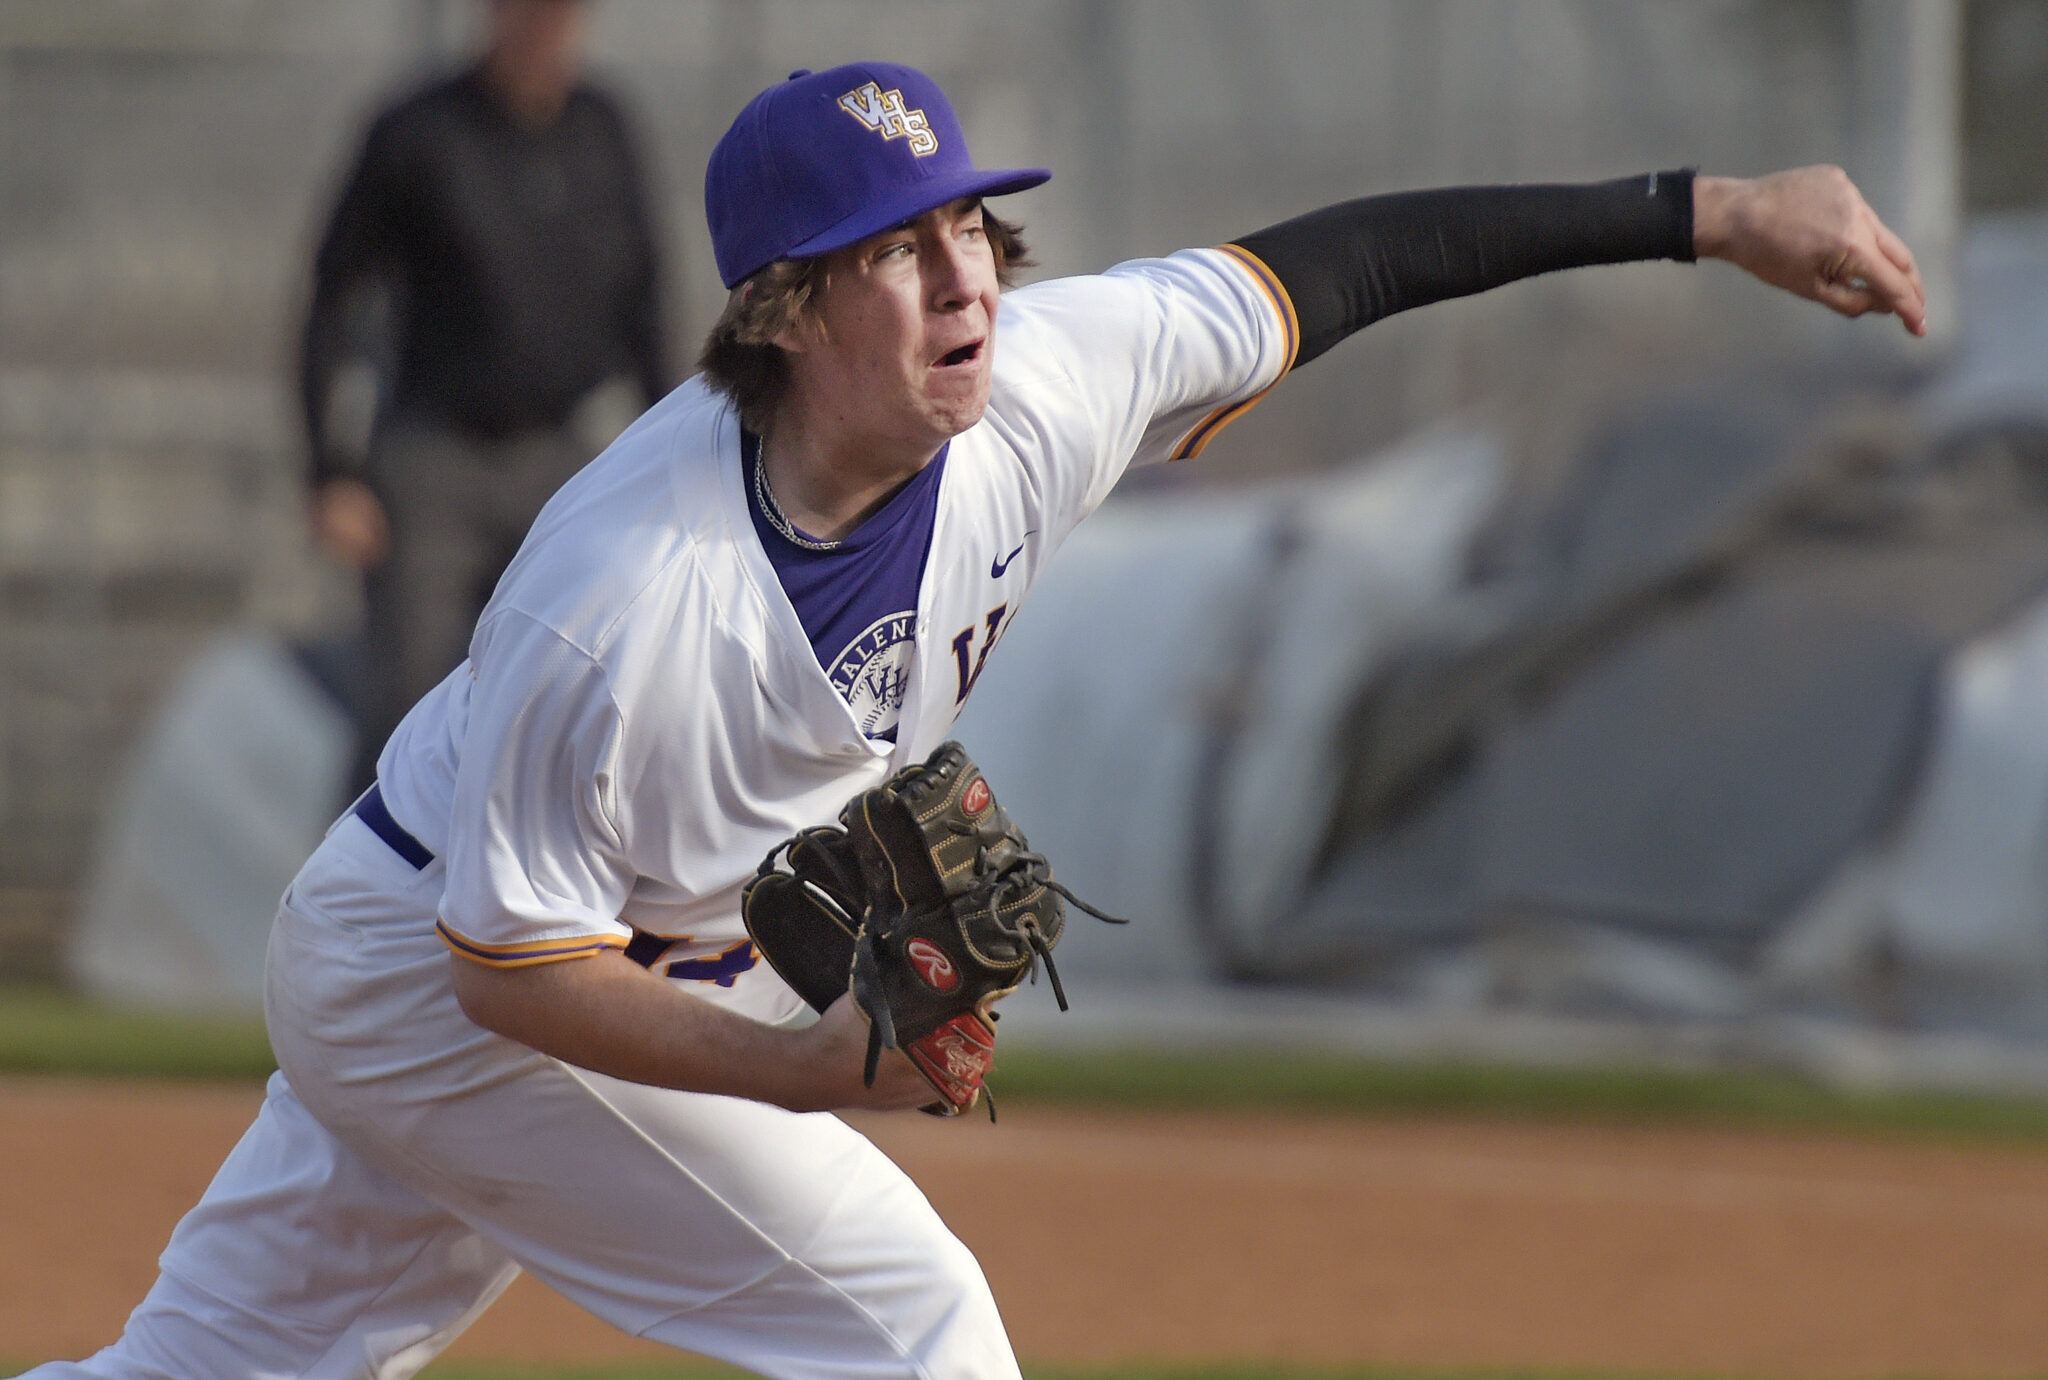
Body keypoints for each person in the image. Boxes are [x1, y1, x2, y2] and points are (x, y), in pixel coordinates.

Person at [31, 59, 1922, 1380]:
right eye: (898, 250)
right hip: (445, 973)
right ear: (782, 307)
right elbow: (505, 971)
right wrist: (800, 1067)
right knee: (910, 1325)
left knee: (215, 1368)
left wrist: (1709, 211)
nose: (965, 282)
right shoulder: (616, 599)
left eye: (970, 229)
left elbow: (1343, 265)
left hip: (557, 940)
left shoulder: (1041, 387)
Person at [301, 0, 670, 794]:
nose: (544, 29)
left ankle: (535, 899)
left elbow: (646, 300)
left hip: (562, 457)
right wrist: (332, 468)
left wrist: (676, 456)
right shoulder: (417, 132)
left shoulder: (603, 130)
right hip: (435, 458)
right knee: (411, 688)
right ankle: (366, 898)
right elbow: (336, 298)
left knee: (577, 676)